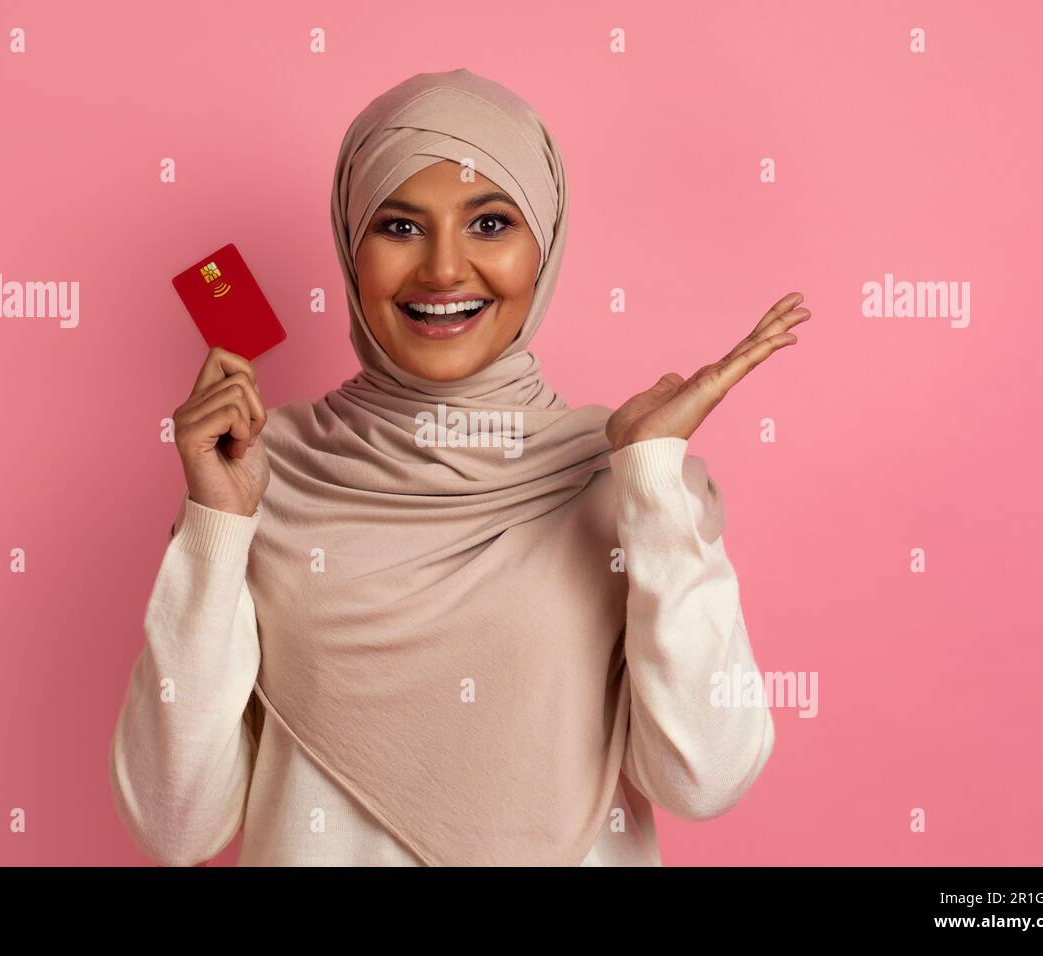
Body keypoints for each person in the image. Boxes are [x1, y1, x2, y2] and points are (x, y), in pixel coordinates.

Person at [110, 67, 808, 866]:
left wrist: (649, 483)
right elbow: (175, 827)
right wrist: (217, 527)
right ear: (350, 247)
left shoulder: (622, 477)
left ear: (542, 244)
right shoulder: (262, 472)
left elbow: (704, 779)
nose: (443, 270)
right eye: (400, 228)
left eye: (489, 224)